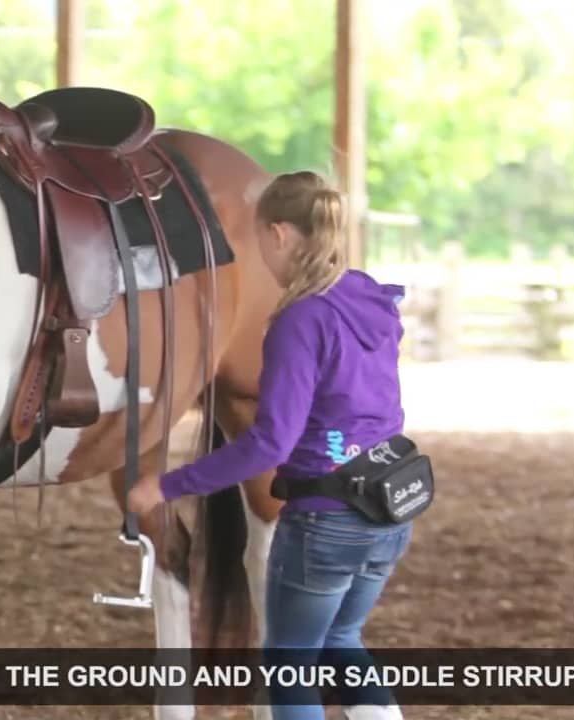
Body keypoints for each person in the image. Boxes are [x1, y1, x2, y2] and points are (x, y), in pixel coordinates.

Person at [129, 170, 413, 720]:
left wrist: (167, 486)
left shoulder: (301, 320)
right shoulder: (370, 299)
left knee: (289, 667)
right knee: (341, 641)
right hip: (388, 510)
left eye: (260, 242)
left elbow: (269, 444)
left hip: (326, 519)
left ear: (279, 234)